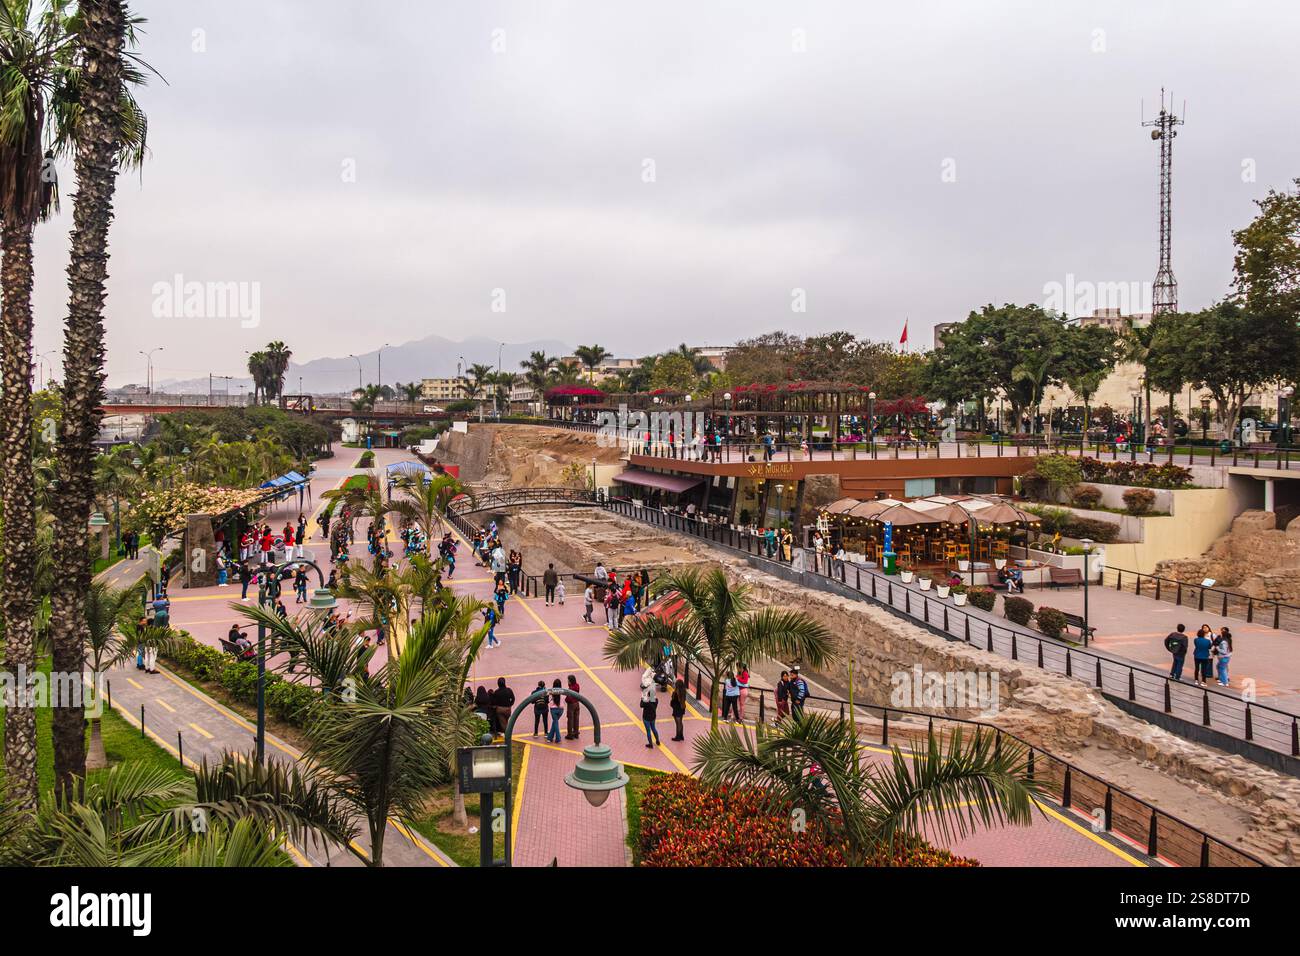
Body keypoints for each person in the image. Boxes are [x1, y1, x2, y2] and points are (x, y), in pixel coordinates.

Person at [547, 678, 564, 744]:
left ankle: (558, 738)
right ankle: (549, 738)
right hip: (561, 710)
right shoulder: (563, 691)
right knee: (555, 723)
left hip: (553, 709)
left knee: (555, 723)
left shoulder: (551, 691)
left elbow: (547, 697)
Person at [565, 674, 582, 739]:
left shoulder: (571, 688)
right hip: (577, 703)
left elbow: (569, 698)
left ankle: (570, 734)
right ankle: (576, 732)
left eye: (568, 680)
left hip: (571, 704)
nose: (567, 681)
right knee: (576, 719)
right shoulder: (577, 685)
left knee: (570, 719)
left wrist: (566, 700)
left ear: (570, 681)